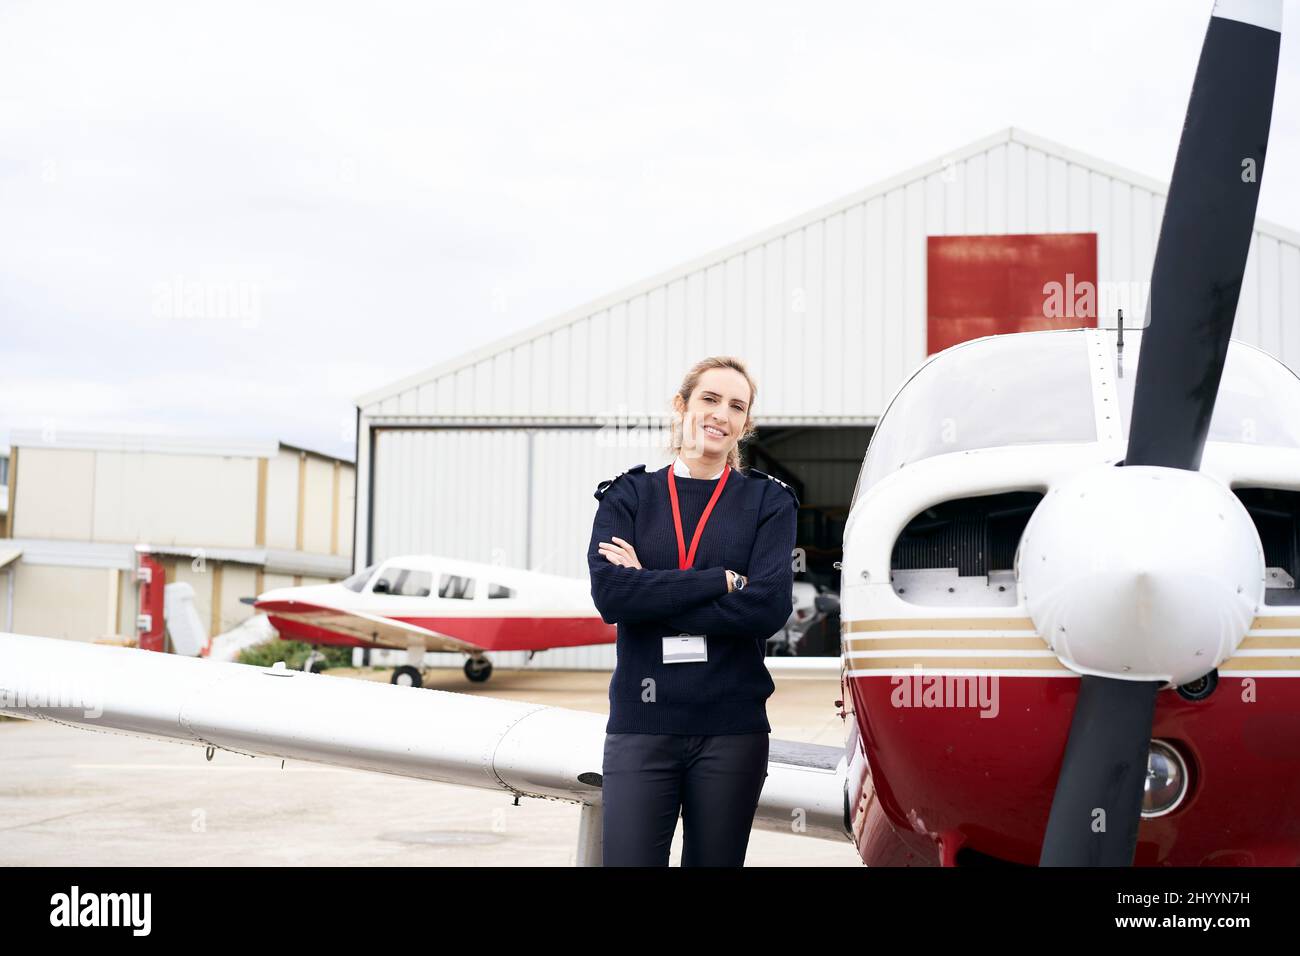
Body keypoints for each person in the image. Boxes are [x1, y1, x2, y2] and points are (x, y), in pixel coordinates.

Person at [586, 355, 800, 866]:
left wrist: (649, 591)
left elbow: (766, 609)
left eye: (736, 406)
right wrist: (717, 582)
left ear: (744, 425)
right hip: (642, 726)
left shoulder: (770, 503)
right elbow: (612, 597)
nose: (720, 415)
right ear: (681, 407)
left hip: (732, 730)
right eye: (709, 399)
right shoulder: (628, 496)